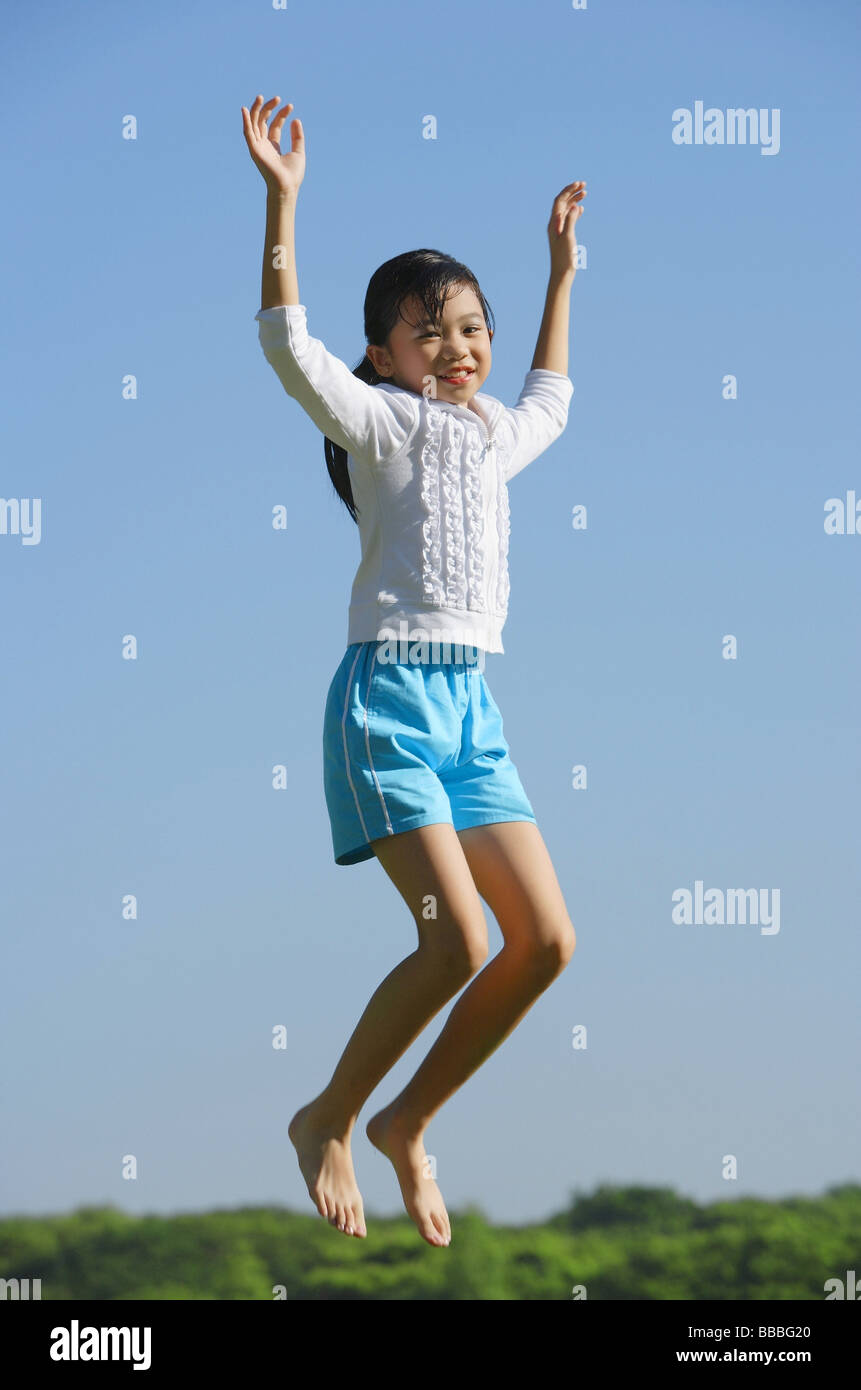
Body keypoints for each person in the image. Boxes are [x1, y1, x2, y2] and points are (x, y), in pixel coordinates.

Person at [241, 94, 586, 1248]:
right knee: (459, 939)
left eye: (472, 328)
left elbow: (555, 399)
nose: (459, 347)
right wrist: (283, 204)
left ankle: (406, 1123)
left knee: (543, 941)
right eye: (431, 329)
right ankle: (326, 1116)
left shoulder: (492, 437)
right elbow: (289, 346)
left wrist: (560, 277)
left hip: (470, 712)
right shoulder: (382, 428)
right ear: (384, 353)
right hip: (386, 703)